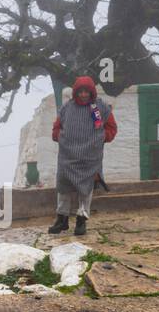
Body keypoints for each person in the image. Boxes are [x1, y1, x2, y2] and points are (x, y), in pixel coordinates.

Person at [48, 76, 116, 236]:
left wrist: (101, 138)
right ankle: (62, 219)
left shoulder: (99, 108)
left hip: (90, 158)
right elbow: (57, 127)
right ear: (75, 92)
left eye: (86, 91)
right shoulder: (67, 108)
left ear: (91, 92)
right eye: (80, 92)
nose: (84, 95)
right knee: (63, 187)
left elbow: (111, 127)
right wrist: (59, 136)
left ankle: (81, 220)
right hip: (68, 156)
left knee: (86, 189)